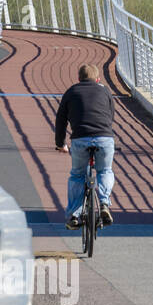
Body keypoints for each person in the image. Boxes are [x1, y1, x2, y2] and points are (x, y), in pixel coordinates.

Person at [55, 63, 116, 230]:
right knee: (105, 170)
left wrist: (60, 144)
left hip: (80, 139)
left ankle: (75, 214)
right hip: (104, 137)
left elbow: (61, 120)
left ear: (79, 78)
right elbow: (110, 116)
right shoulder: (105, 91)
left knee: (77, 175)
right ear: (97, 79)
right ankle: (104, 203)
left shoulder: (72, 91)